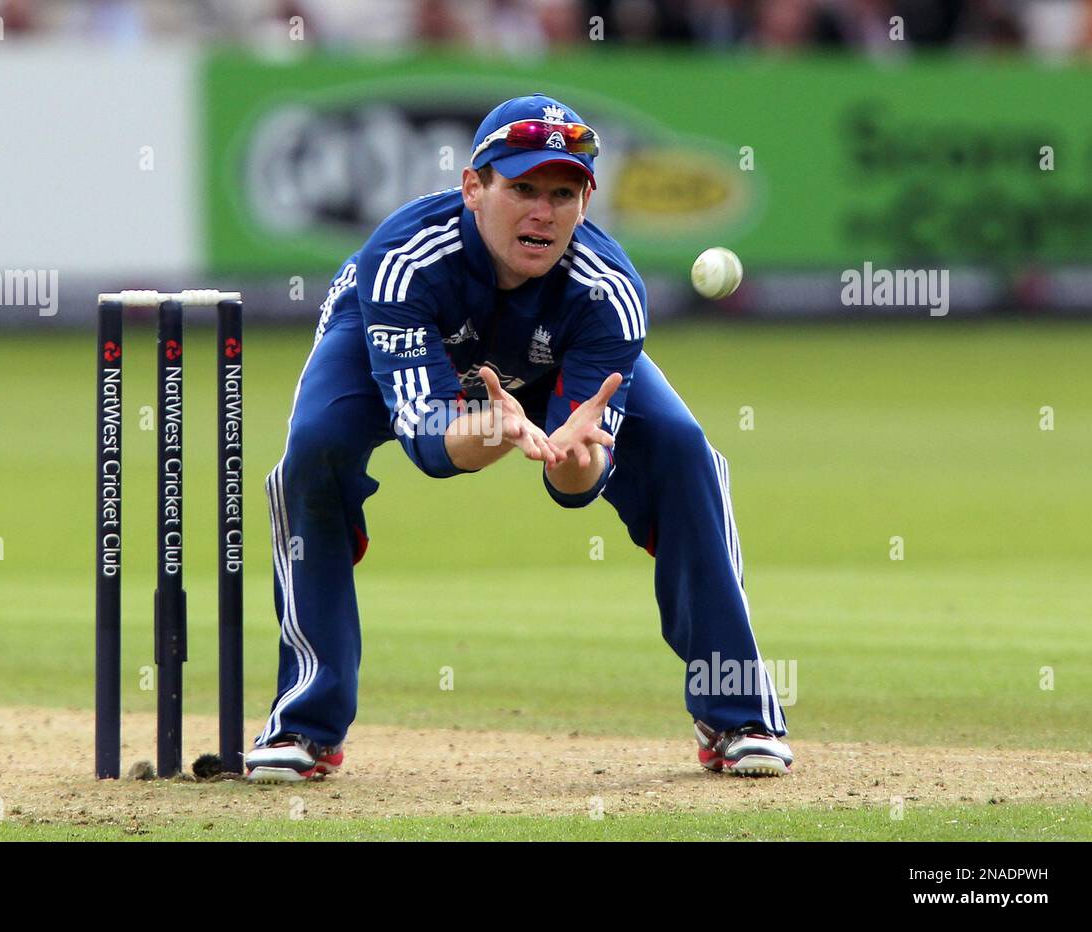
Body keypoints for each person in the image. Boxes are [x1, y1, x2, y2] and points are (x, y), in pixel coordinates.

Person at [244, 94, 792, 783]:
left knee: (683, 447)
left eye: (564, 193)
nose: (544, 211)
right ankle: (306, 723)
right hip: (398, 342)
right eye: (523, 188)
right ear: (473, 187)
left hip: (551, 358)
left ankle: (738, 714)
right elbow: (429, 443)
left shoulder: (608, 290)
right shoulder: (404, 258)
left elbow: (576, 485)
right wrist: (492, 432)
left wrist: (576, 456)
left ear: (586, 204)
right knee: (314, 450)